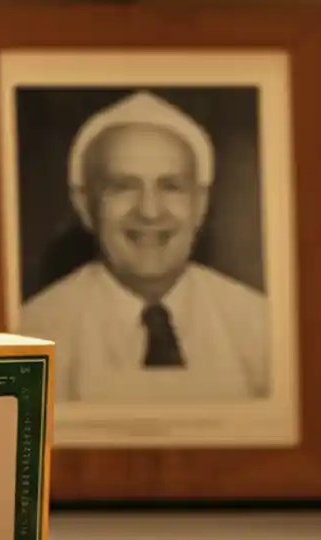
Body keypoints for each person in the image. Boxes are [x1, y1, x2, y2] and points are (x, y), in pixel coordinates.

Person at [19, 91, 269, 403]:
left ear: (200, 204)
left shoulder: (261, 327)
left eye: (171, 186)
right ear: (84, 205)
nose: (150, 211)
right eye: (123, 187)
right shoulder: (33, 335)